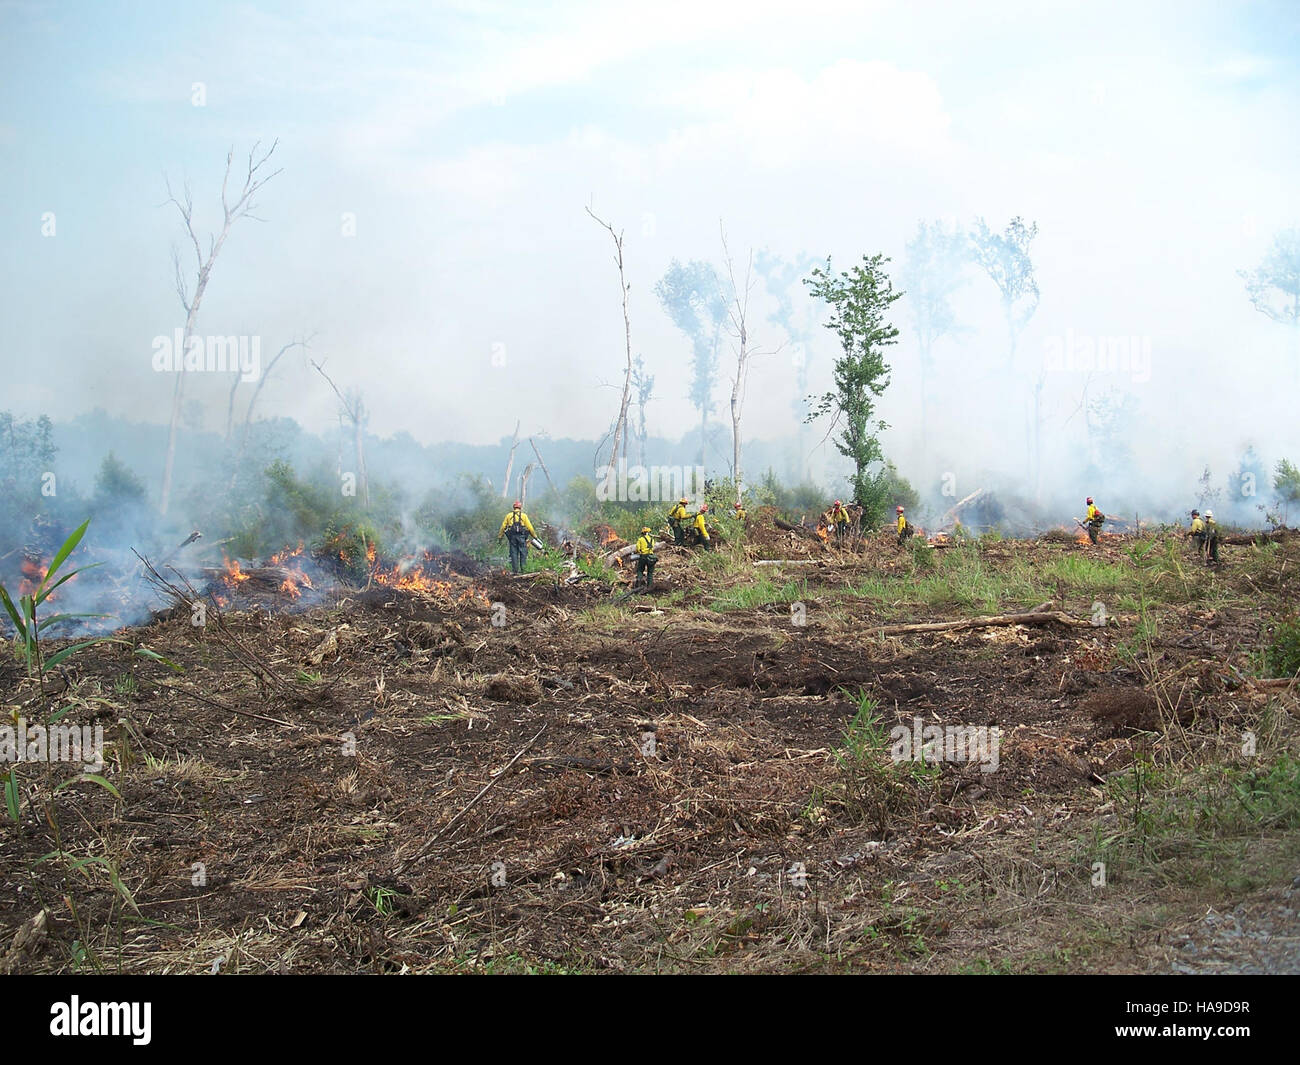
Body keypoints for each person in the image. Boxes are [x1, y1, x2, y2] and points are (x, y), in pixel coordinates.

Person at [497, 501, 537, 574]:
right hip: (522, 537)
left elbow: (503, 527)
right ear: (520, 508)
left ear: (514, 507)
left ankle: (515, 571)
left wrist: (500, 537)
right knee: (523, 553)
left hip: (512, 538)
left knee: (514, 553)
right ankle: (523, 570)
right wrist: (535, 536)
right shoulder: (524, 516)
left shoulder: (508, 515)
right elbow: (530, 527)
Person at [633, 526, 658, 590]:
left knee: (640, 570)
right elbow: (652, 547)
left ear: (643, 533)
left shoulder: (640, 539)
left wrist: (638, 552)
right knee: (650, 572)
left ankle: (639, 584)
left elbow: (638, 549)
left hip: (643, 557)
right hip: (651, 556)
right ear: (648, 532)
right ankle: (649, 586)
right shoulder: (652, 539)